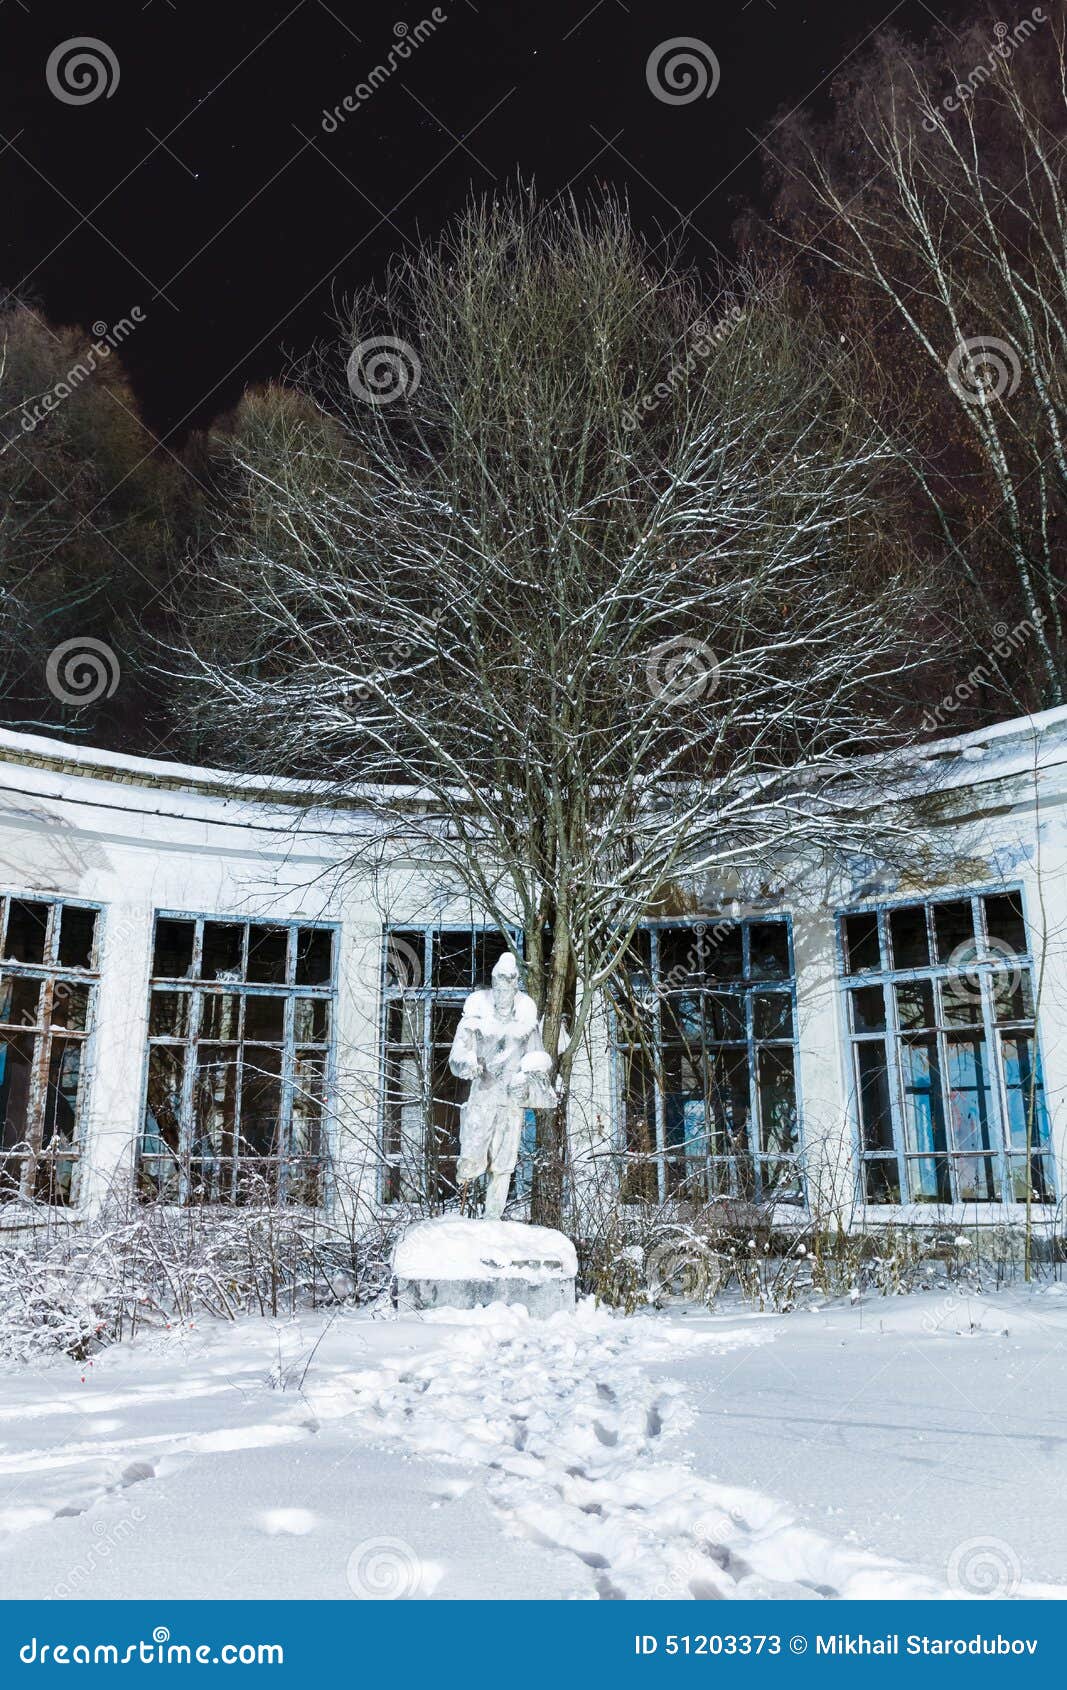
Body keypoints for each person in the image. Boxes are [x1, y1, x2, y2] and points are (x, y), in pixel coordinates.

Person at [448, 950, 549, 1219]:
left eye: (509, 985)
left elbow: (537, 1061)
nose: (504, 991)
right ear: (493, 984)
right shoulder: (477, 1011)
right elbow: (457, 1055)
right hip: (482, 1097)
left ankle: (492, 1218)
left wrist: (526, 1081)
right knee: (471, 1160)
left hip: (510, 1101)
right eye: (500, 984)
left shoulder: (526, 1016)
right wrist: (467, 1063)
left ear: (515, 986)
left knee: (504, 1163)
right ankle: (461, 1219)